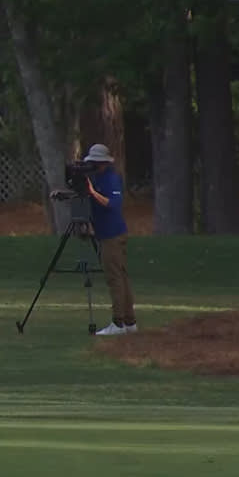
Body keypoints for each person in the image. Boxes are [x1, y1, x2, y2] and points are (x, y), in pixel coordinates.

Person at [82, 144, 137, 336]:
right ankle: (129, 321)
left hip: (112, 234)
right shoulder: (97, 178)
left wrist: (93, 193)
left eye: (96, 162)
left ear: (103, 163)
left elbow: (113, 203)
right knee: (121, 276)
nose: (93, 165)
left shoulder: (111, 178)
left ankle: (118, 322)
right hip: (105, 233)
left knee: (115, 278)